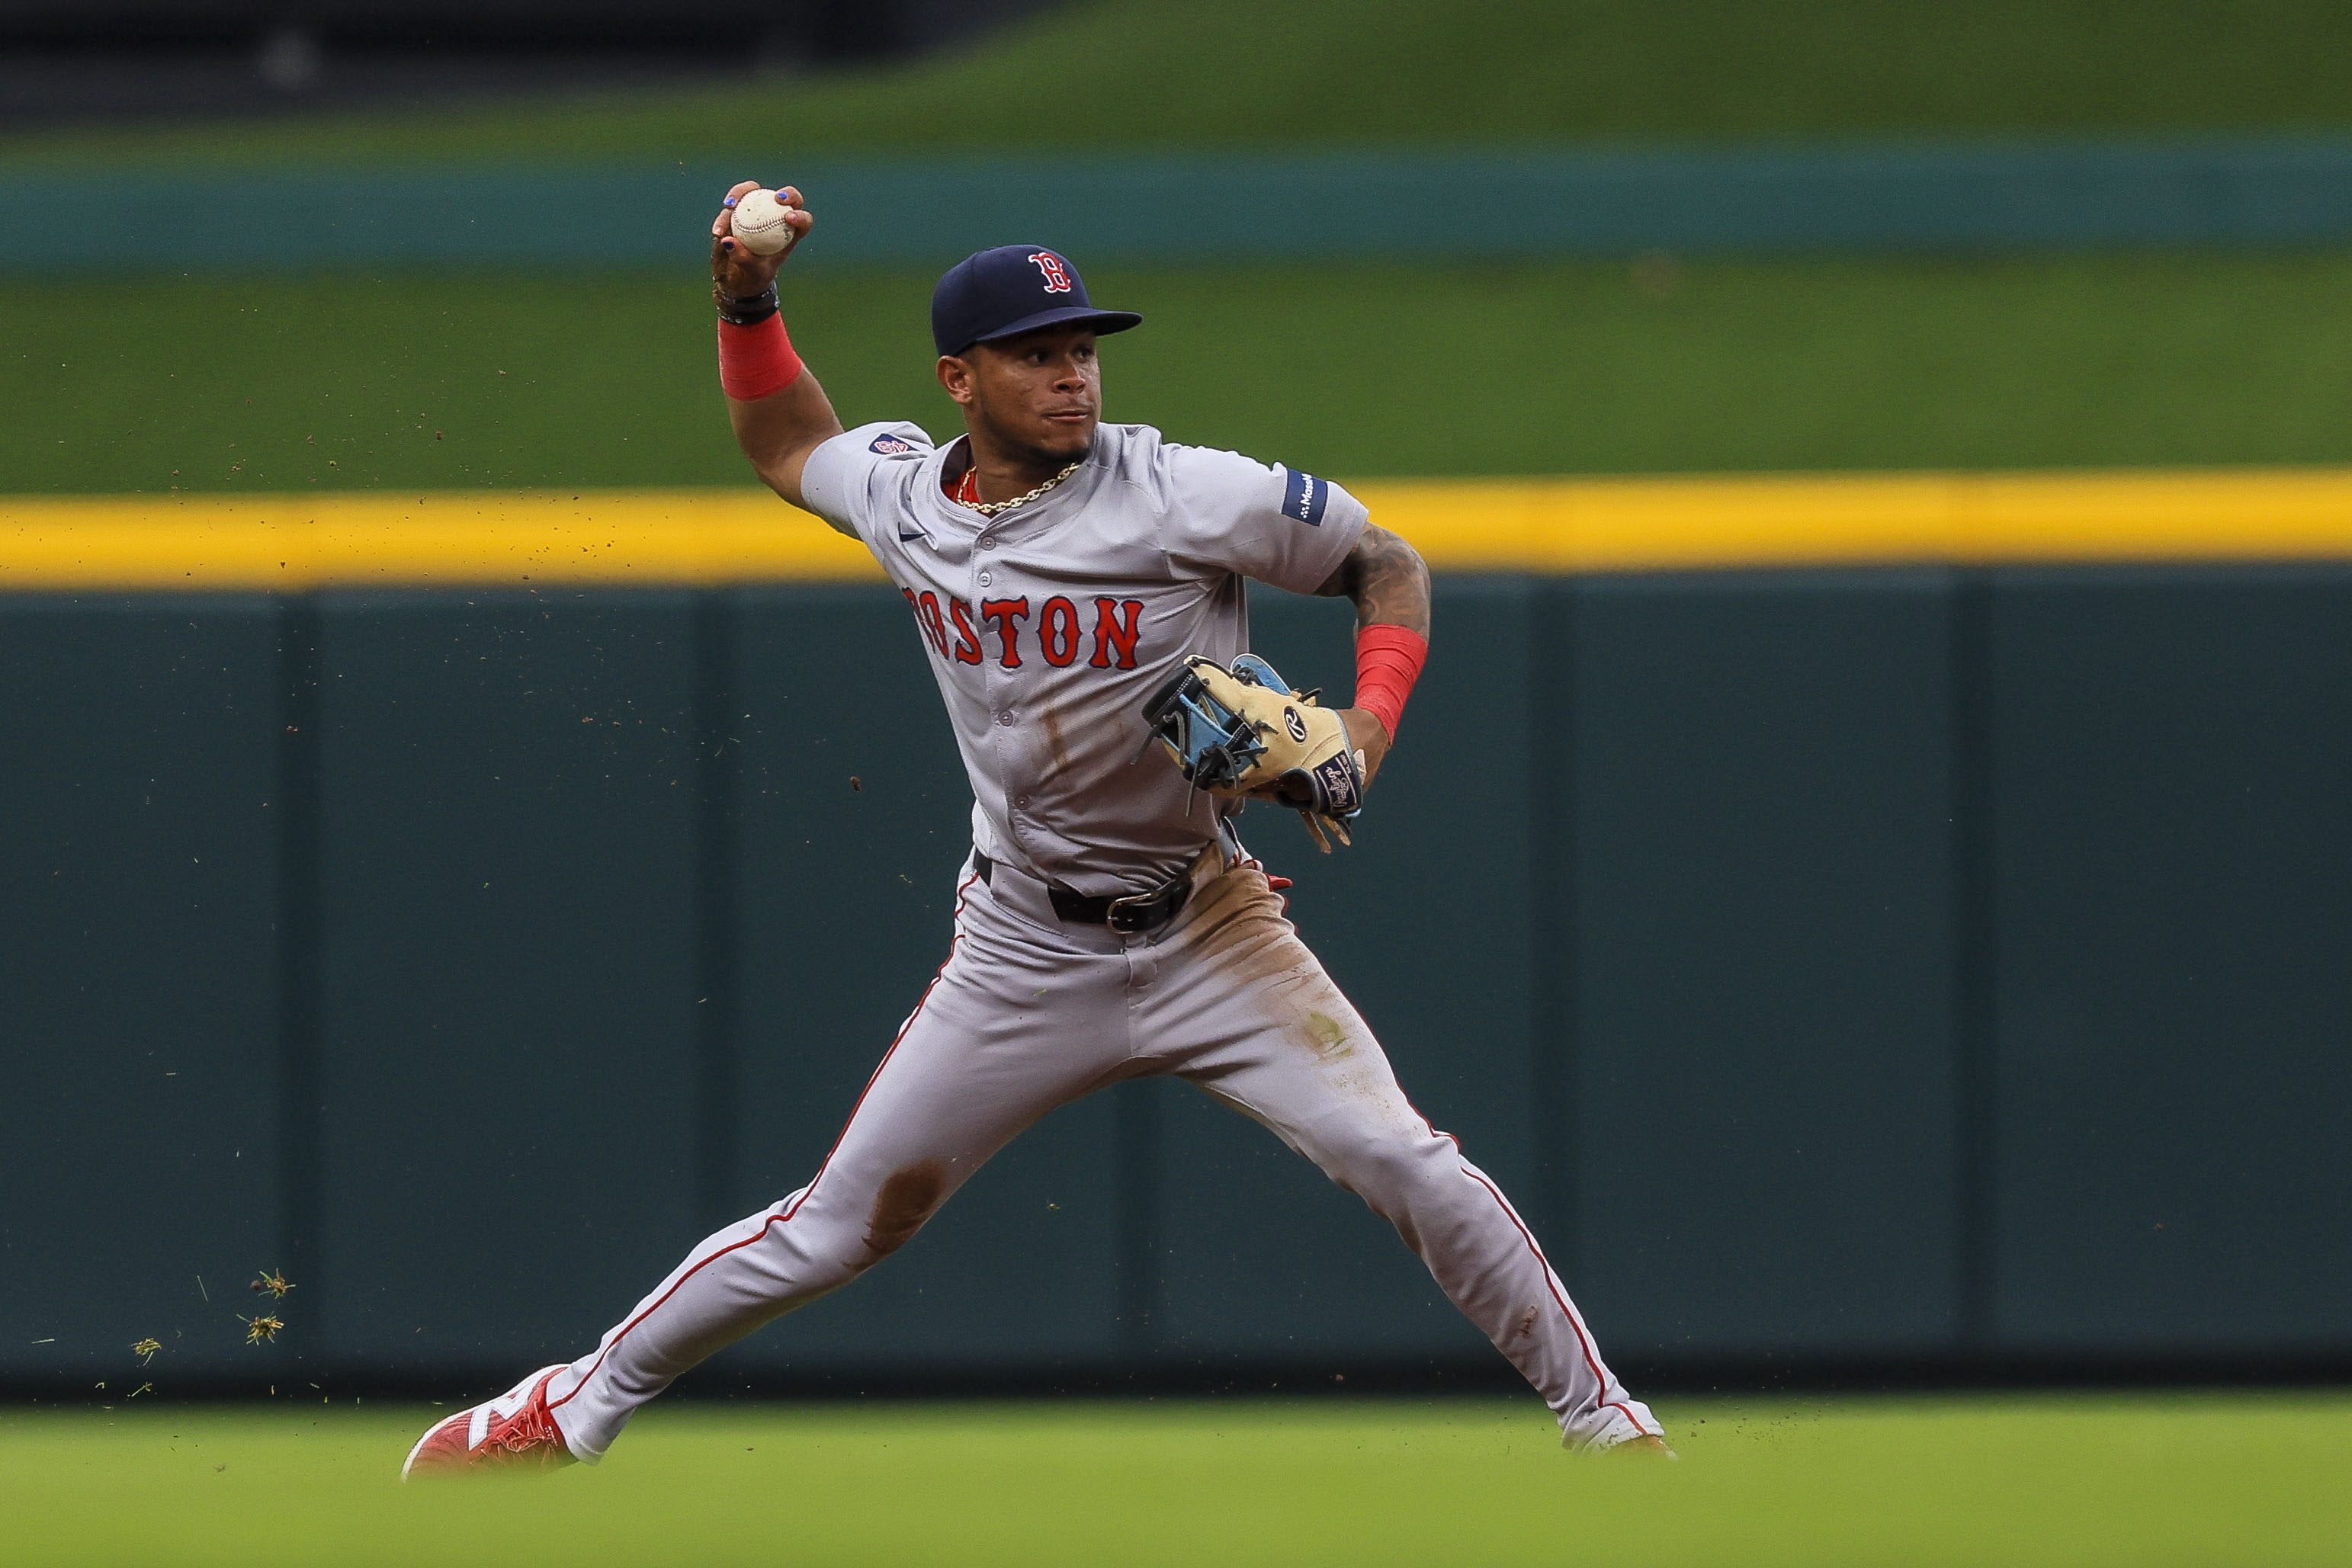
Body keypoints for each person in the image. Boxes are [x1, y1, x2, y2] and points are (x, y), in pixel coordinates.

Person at [402, 183, 1668, 1478]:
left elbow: (1382, 560)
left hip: (1208, 924)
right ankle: (563, 1406)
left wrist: (1364, 729)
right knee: (841, 1224)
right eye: (1037, 354)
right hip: (1022, 943)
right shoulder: (905, 498)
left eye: (1082, 350)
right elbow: (786, 441)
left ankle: (1608, 1423)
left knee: (1398, 1155)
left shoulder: (1182, 492)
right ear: (959, 378)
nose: (1074, 378)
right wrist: (744, 299)